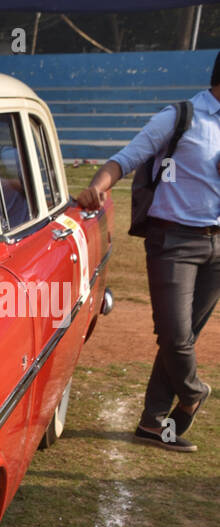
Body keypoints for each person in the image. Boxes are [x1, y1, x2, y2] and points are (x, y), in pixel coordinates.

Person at [76, 53, 220, 453]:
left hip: (218, 244)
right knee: (174, 334)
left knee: (184, 336)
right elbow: (127, 157)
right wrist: (97, 185)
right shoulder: (181, 117)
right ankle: (192, 392)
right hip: (173, 240)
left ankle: (153, 424)